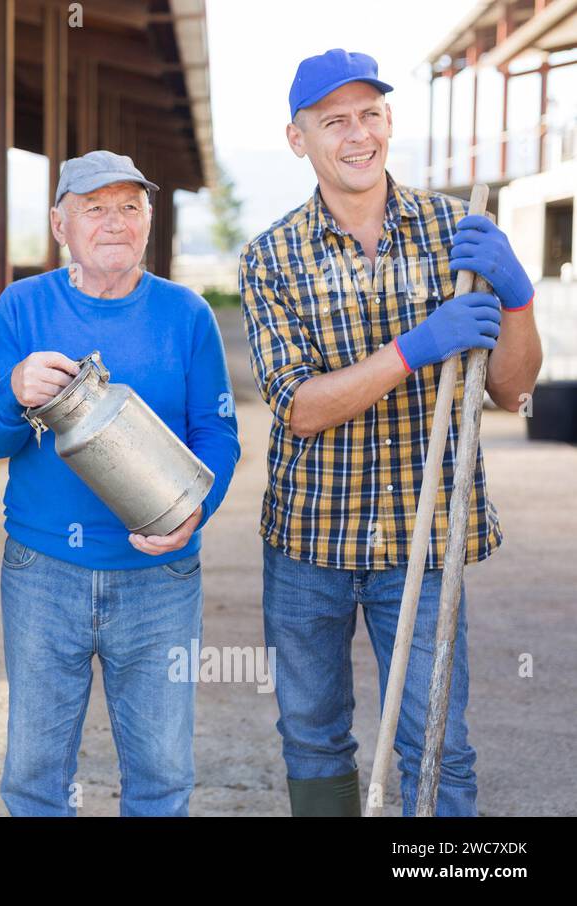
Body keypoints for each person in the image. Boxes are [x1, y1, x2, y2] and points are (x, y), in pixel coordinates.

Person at [240, 49, 542, 816]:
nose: (356, 134)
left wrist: (517, 300)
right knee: (312, 734)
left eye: (369, 114)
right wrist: (413, 349)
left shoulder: (455, 231)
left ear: (389, 122)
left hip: (426, 534)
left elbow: (513, 389)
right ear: (296, 137)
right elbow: (299, 407)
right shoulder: (271, 256)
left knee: (435, 740)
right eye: (333, 119)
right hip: (311, 538)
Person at [0, 150, 241, 816]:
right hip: (42, 572)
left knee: (161, 774)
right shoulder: (22, 307)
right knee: (34, 773)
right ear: (61, 224)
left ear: (149, 219)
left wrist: (194, 513)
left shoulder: (186, 315)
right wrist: (12, 390)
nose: (115, 222)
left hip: (160, 580)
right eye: (95, 208)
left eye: (130, 206)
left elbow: (217, 434)